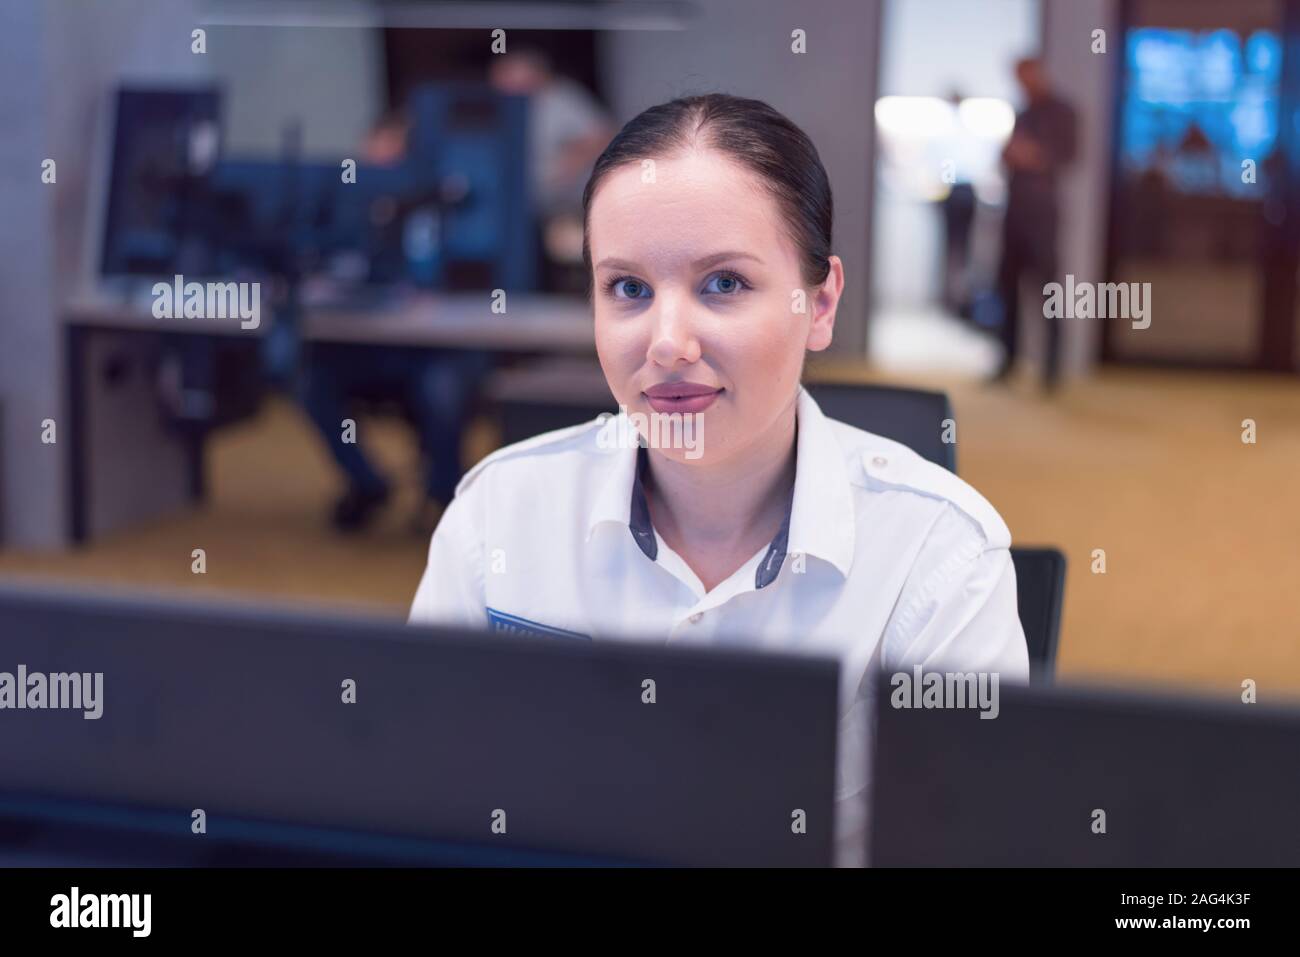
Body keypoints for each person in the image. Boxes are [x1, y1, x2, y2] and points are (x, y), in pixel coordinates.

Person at [408, 94, 1028, 866]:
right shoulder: (496, 516)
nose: (667, 344)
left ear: (821, 302)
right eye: (628, 288)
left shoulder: (939, 558)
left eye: (724, 284)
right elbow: (424, 810)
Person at [993, 57, 1077, 390]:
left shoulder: (1063, 113)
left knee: (1048, 292)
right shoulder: (1023, 113)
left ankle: (1052, 372)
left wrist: (1033, 156)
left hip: (1043, 217)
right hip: (1014, 213)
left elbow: (1069, 156)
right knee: (1007, 290)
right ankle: (1008, 361)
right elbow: (1006, 157)